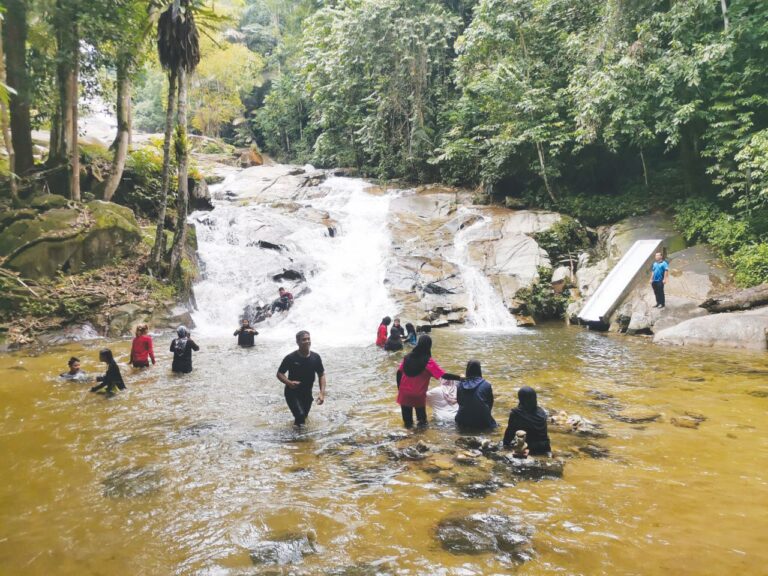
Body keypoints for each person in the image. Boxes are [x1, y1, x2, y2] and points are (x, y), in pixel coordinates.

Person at [396, 334, 461, 428]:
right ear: (429, 346)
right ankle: (421, 436)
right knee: (422, 422)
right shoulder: (428, 361)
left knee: (407, 423)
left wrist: (400, 389)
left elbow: (398, 373)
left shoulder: (407, 357)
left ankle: (408, 436)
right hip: (418, 395)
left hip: (404, 394)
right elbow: (443, 375)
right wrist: (460, 378)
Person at [277, 330, 326, 427]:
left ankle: (297, 433)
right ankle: (299, 436)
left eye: (308, 339)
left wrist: (322, 393)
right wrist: (289, 383)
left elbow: (321, 375)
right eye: (304, 339)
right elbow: (279, 373)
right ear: (297, 342)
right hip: (292, 392)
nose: (307, 341)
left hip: (307, 392)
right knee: (300, 416)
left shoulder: (315, 357)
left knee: (304, 417)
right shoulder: (290, 358)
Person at [503, 386, 551, 455]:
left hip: (528, 447)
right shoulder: (541, 412)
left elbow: (509, 433)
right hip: (545, 447)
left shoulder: (516, 413)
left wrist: (505, 446)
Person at [455, 360, 497, 430]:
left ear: (467, 370)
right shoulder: (486, 384)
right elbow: (490, 403)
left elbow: (459, 402)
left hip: (463, 420)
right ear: (479, 370)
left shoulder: (460, 385)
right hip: (482, 420)